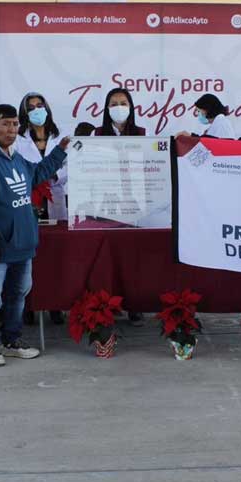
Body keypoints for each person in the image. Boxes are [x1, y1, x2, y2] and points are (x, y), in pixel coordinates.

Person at [0, 104, 69, 366]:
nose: (11, 129)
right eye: (5, 124)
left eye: (14, 124)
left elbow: (38, 173)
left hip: (22, 244)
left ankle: (12, 340)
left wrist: (60, 151)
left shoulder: (16, 157)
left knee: (18, 295)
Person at [92, 88, 146, 324]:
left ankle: (135, 304)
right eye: (113, 103)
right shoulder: (97, 134)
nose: (119, 107)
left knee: (132, 256)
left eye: (123, 103)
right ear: (106, 108)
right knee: (109, 256)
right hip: (107, 201)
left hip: (134, 201)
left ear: (131, 106)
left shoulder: (142, 133)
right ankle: (110, 305)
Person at [15, 92, 67, 326]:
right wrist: (36, 177)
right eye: (31, 107)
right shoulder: (18, 139)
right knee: (29, 258)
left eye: (40, 105)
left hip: (55, 196)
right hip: (30, 200)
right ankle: (29, 305)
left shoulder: (61, 135)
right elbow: (17, 167)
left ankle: (55, 305)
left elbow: (71, 164)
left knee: (54, 257)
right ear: (25, 113)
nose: (37, 110)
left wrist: (52, 174)